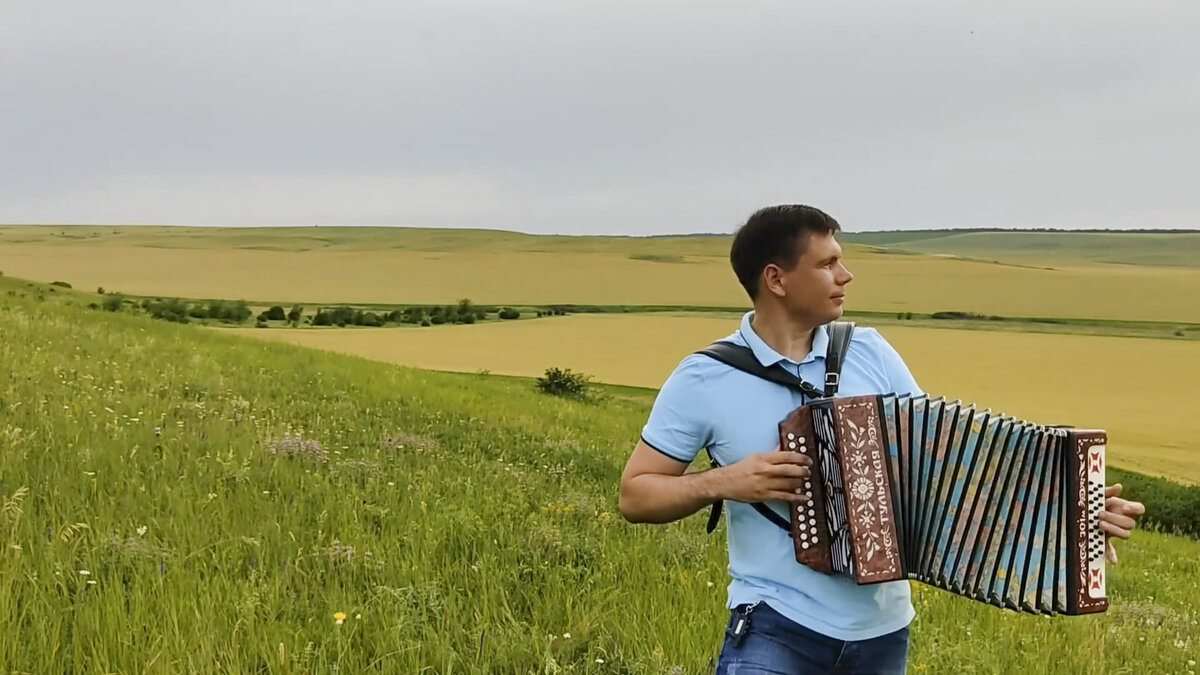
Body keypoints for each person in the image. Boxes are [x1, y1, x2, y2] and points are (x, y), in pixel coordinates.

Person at [618, 204, 1146, 674]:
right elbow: (635, 494)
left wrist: (1069, 513)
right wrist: (725, 481)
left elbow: (938, 466)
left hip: (882, 634)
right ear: (776, 279)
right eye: (826, 264)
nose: (845, 275)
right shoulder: (705, 378)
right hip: (774, 624)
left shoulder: (869, 352)